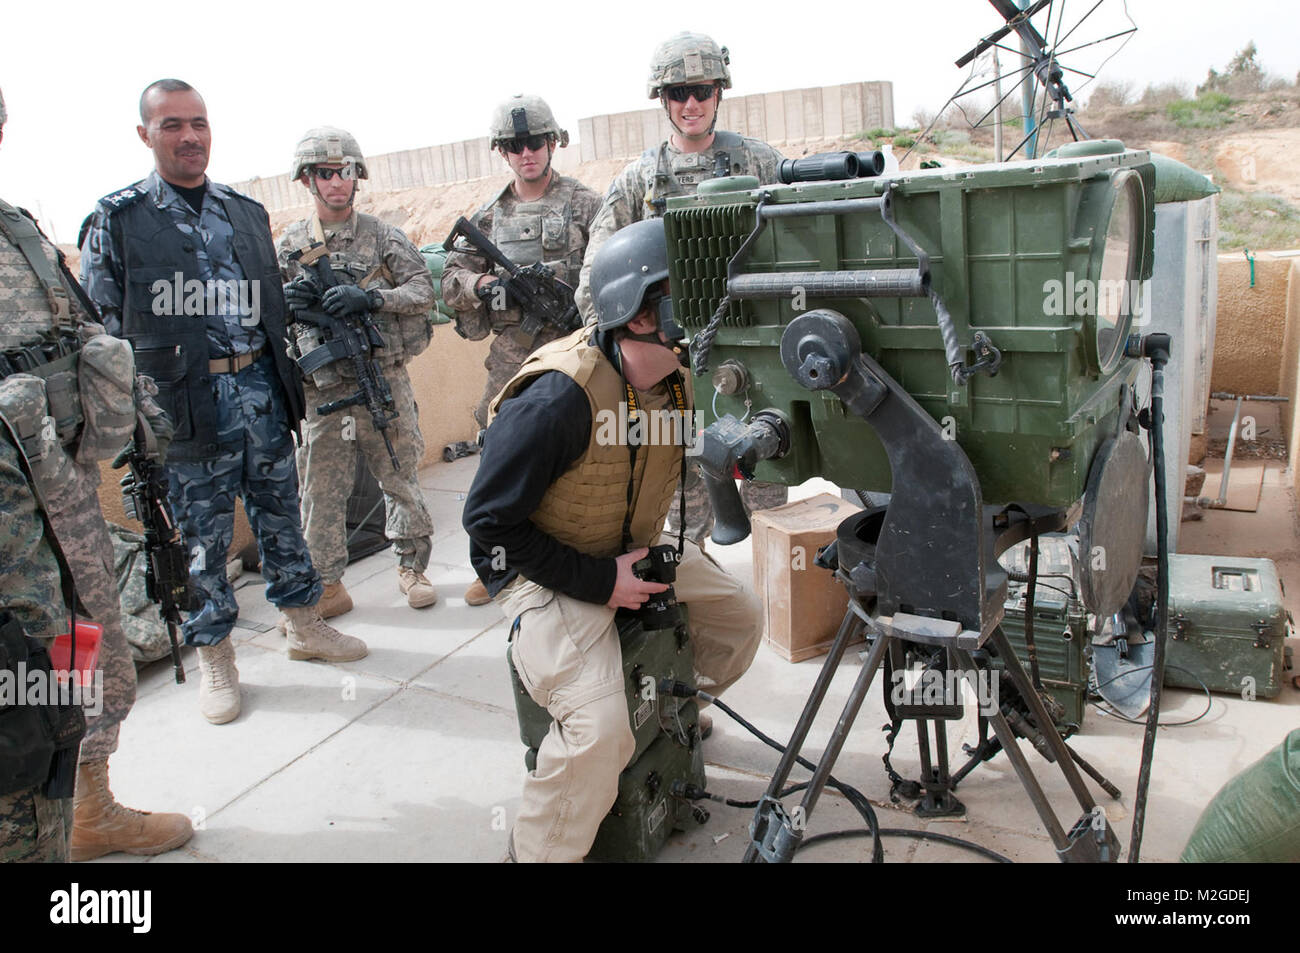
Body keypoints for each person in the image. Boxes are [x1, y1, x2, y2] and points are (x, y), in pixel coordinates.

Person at [462, 218, 762, 862]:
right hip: (546, 569)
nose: (699, 318)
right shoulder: (556, 400)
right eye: (679, 301)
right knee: (598, 733)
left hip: (633, 544)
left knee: (738, 621)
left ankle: (668, 712)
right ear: (632, 312)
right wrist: (601, 583)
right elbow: (487, 529)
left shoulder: (677, 376)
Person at [80, 79, 367, 727]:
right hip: (182, 409)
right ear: (145, 134)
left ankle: (303, 625)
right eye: (173, 125)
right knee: (202, 539)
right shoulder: (118, 223)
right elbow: (99, 339)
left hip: (260, 390)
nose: (189, 136)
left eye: (199, 123)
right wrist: (128, 429)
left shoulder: (242, 211)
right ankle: (216, 652)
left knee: (280, 515)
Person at [0, 85, 193, 860]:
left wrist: (128, 400)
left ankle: (89, 807)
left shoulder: (16, 228)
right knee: (25, 688)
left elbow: (77, 323)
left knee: (88, 652)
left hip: (61, 491)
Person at [573, 32, 788, 546]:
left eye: (702, 90)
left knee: (769, 500)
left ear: (719, 92)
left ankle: (779, 608)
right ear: (662, 100)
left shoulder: (761, 163)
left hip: (751, 353)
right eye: (677, 93)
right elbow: (595, 275)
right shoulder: (637, 180)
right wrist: (610, 351)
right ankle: (693, 602)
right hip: (669, 361)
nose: (691, 104)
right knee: (680, 506)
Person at [440, 95, 600, 607]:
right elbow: (450, 278)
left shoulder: (585, 204)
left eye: (535, 141)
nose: (526, 152)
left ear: (553, 143)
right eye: (514, 145)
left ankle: (584, 550)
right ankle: (493, 563)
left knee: (594, 446)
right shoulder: (488, 217)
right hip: (514, 356)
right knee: (498, 452)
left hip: (576, 348)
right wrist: (485, 284)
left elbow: (612, 264)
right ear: (502, 152)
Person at [278, 127, 438, 614]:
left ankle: (412, 568)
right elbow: (269, 313)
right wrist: (295, 304)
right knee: (321, 492)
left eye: (344, 171)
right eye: (325, 174)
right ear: (308, 180)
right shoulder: (291, 245)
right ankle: (328, 584)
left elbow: (423, 292)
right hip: (325, 389)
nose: (336, 183)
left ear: (357, 175)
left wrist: (371, 298)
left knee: (400, 475)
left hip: (381, 380)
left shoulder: (383, 236)